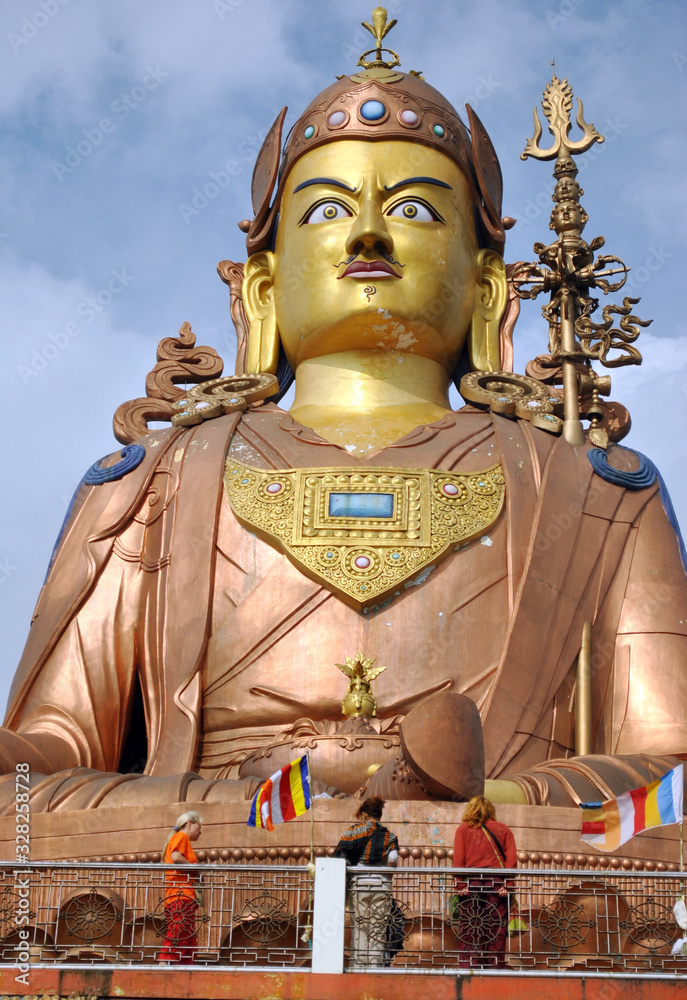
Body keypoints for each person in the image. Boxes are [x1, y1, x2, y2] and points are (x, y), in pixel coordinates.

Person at [0, 9, 686, 825]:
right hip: (212, 829)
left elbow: (664, 767)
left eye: (415, 211)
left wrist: (490, 797)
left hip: (478, 843)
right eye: (325, 211)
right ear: (261, 288)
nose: (367, 234)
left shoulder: (591, 490)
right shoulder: (153, 481)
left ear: (486, 288)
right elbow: (52, 753)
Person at [452, 795, 517, 969]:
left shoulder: (463, 830)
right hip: (497, 886)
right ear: (491, 811)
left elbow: (458, 860)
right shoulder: (503, 830)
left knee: (471, 928)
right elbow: (511, 862)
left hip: (471, 886)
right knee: (496, 929)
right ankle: (494, 969)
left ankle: (470, 967)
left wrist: (460, 885)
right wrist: (508, 886)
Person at [334, 796, 398, 967]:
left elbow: (340, 857)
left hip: (358, 886)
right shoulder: (388, 836)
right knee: (378, 930)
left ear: (363, 814)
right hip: (382, 886)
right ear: (379, 815)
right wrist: (386, 877)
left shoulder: (352, 833)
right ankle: (375, 967)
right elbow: (393, 860)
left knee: (361, 928)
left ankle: (360, 967)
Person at [158, 810, 203, 964]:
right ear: (189, 824)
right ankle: (164, 962)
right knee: (179, 931)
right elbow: (177, 857)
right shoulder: (182, 836)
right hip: (181, 894)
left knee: (187, 935)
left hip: (178, 895)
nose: (200, 832)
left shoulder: (177, 838)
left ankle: (186, 967)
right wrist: (195, 869)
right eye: (199, 827)